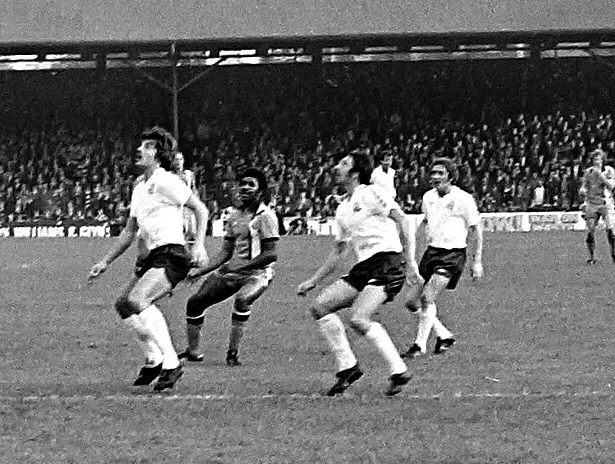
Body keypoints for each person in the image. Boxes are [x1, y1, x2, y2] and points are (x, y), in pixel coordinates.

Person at [86, 127, 208, 391]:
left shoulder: (166, 181)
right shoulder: (140, 187)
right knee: (123, 305)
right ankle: (154, 359)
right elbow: (130, 231)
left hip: (172, 254)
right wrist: (105, 262)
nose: (140, 150)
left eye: (149, 146)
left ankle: (171, 363)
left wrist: (198, 246)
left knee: (138, 300)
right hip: (152, 256)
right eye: (141, 145)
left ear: (160, 154)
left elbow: (201, 209)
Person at [296, 150, 420, 396]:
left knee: (358, 318)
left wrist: (410, 261)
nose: (336, 168)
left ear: (354, 172)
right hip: (364, 267)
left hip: (388, 262)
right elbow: (338, 251)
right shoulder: (342, 208)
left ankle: (399, 370)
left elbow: (403, 220)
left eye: (343, 164)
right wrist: (313, 280)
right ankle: (348, 367)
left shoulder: (372, 193)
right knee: (320, 307)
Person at [181, 169, 281, 365]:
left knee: (242, 300)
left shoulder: (265, 216)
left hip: (258, 274)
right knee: (195, 302)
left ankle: (232, 354)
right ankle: (193, 352)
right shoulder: (234, 216)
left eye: (251, 184)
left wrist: (241, 266)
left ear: (260, 191)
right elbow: (225, 253)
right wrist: (200, 271)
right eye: (242, 183)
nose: (244, 187)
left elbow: (271, 254)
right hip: (233, 271)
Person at [405, 157, 482, 357]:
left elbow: (476, 230)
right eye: (433, 173)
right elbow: (426, 222)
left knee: (427, 297)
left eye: (440, 173)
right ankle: (444, 335)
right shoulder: (428, 197)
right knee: (412, 302)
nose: (435, 177)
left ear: (450, 176)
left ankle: (419, 346)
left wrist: (477, 261)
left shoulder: (463, 199)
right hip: (432, 252)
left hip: (452, 255)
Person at [580, 148, 615, 264]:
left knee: (610, 229)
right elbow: (584, 186)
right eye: (594, 159)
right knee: (591, 230)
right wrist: (582, 190)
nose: (596, 162)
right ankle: (591, 257)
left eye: (599, 159)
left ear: (603, 160)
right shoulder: (589, 172)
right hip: (592, 203)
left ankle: (614, 253)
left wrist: (600, 176)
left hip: (605, 203)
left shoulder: (609, 171)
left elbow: (611, 186)